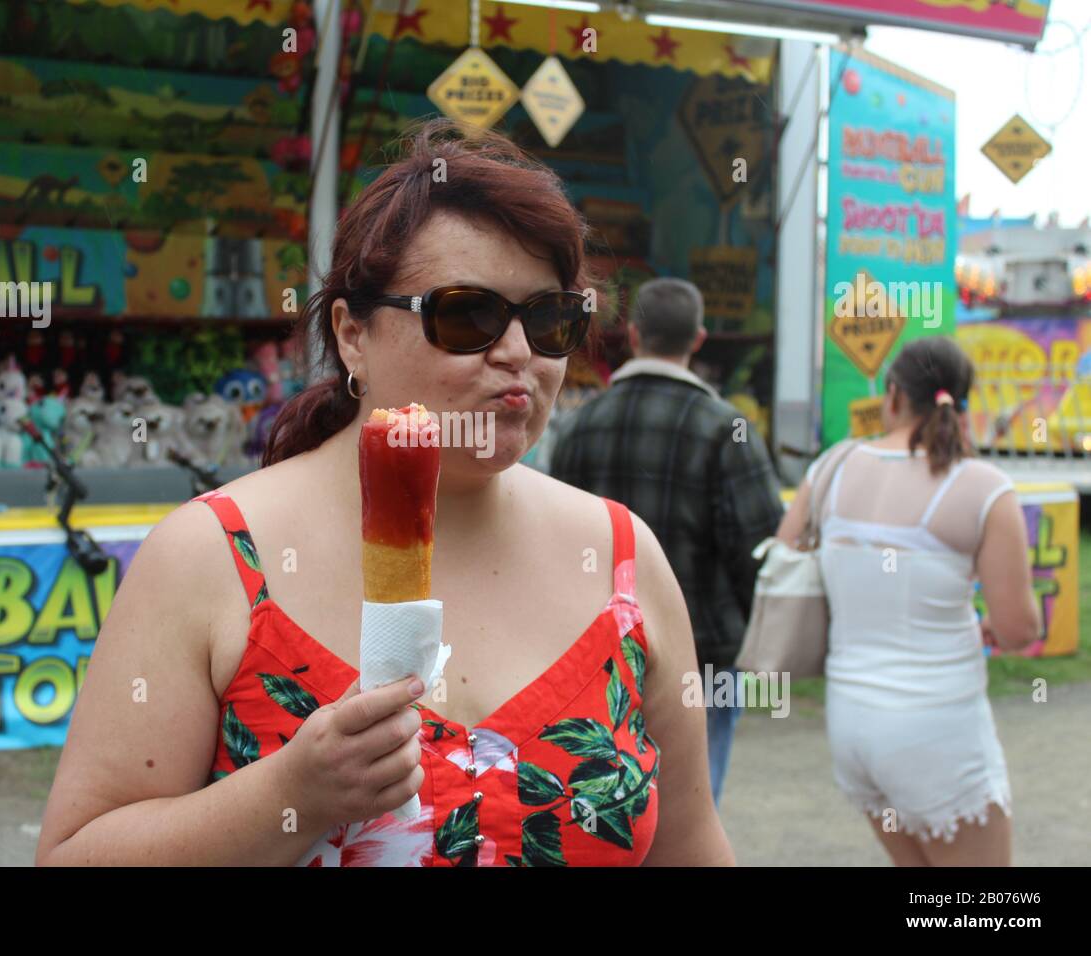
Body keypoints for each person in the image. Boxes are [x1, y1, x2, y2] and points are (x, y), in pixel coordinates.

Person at [36, 119, 734, 866]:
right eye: (466, 314)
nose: (517, 353)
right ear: (351, 335)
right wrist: (287, 797)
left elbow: (691, 847)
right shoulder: (212, 557)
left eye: (550, 318)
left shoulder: (623, 557)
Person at [775, 336, 1039, 866]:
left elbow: (784, 558)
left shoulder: (831, 467)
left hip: (851, 724)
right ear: (960, 402)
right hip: (938, 731)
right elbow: (1019, 629)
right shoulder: (983, 487)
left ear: (893, 395)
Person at [550, 278, 782, 807]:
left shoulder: (580, 425)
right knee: (691, 804)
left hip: (597, 652)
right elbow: (758, 550)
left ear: (633, 335)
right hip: (704, 655)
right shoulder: (727, 427)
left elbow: (555, 538)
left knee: (605, 800)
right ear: (697, 339)